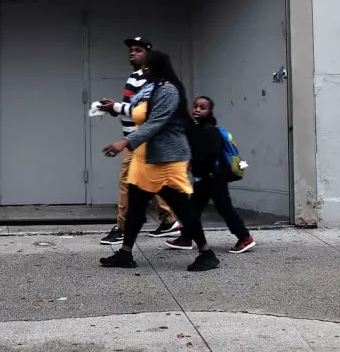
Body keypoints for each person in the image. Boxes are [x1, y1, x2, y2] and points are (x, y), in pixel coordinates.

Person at [99, 50, 220, 272]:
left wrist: (124, 142)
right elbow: (137, 113)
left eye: (147, 67)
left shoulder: (168, 91)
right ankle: (125, 253)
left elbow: (155, 123)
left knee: (181, 207)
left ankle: (206, 253)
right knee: (135, 206)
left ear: (156, 68)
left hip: (167, 160)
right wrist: (115, 108)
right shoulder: (150, 89)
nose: (143, 71)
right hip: (146, 159)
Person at [97, 36, 181, 246]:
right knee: (151, 184)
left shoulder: (149, 79)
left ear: (148, 54)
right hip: (136, 140)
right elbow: (133, 111)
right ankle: (169, 221)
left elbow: (145, 112)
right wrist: (115, 111)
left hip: (138, 141)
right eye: (131, 50)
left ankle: (122, 228)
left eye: (138, 50)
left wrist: (116, 108)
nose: (132, 53)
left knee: (127, 184)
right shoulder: (135, 77)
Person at [165, 97, 256, 254]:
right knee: (192, 210)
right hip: (204, 180)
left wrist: (192, 163)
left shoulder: (211, 131)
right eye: (195, 106)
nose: (197, 110)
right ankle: (186, 238)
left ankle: (245, 238)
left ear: (209, 112)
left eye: (202, 107)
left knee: (224, 208)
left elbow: (211, 155)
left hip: (214, 179)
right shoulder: (198, 129)